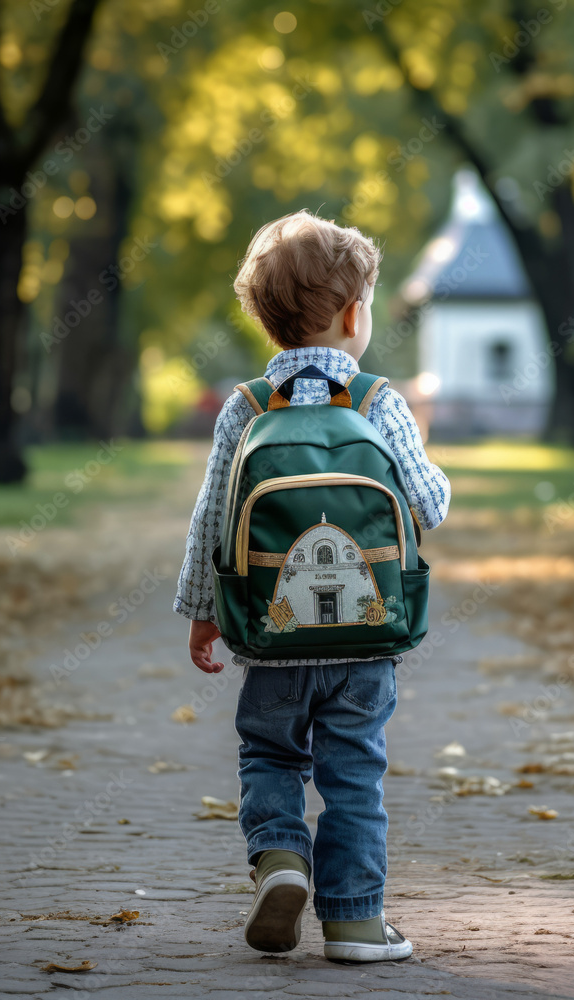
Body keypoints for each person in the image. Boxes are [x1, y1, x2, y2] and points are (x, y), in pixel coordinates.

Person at [174, 209, 451, 962]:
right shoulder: (378, 402)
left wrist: (203, 614)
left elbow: (212, 521)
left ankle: (280, 859)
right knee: (354, 774)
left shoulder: (245, 409)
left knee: (270, 756)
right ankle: (357, 923)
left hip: (270, 638)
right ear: (355, 314)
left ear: (269, 326)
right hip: (367, 640)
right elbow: (426, 506)